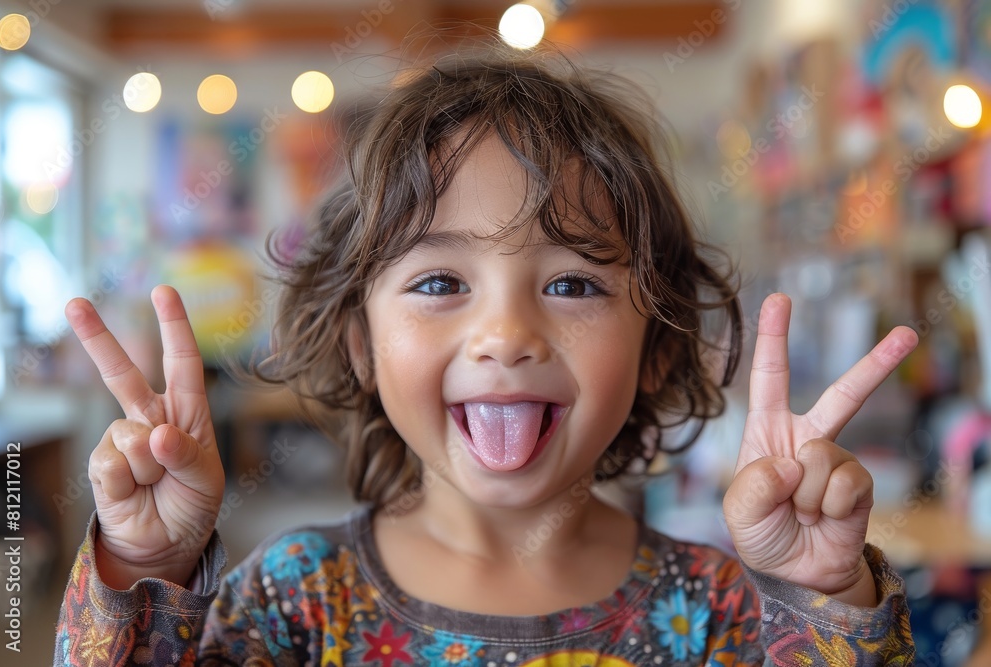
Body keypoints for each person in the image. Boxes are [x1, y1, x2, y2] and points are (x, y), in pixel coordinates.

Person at [55, 47, 918, 666]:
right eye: (438, 281)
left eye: (574, 285)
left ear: (657, 347)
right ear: (361, 343)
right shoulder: (293, 599)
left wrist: (821, 602)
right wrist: (145, 566)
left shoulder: (728, 609)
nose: (506, 335)